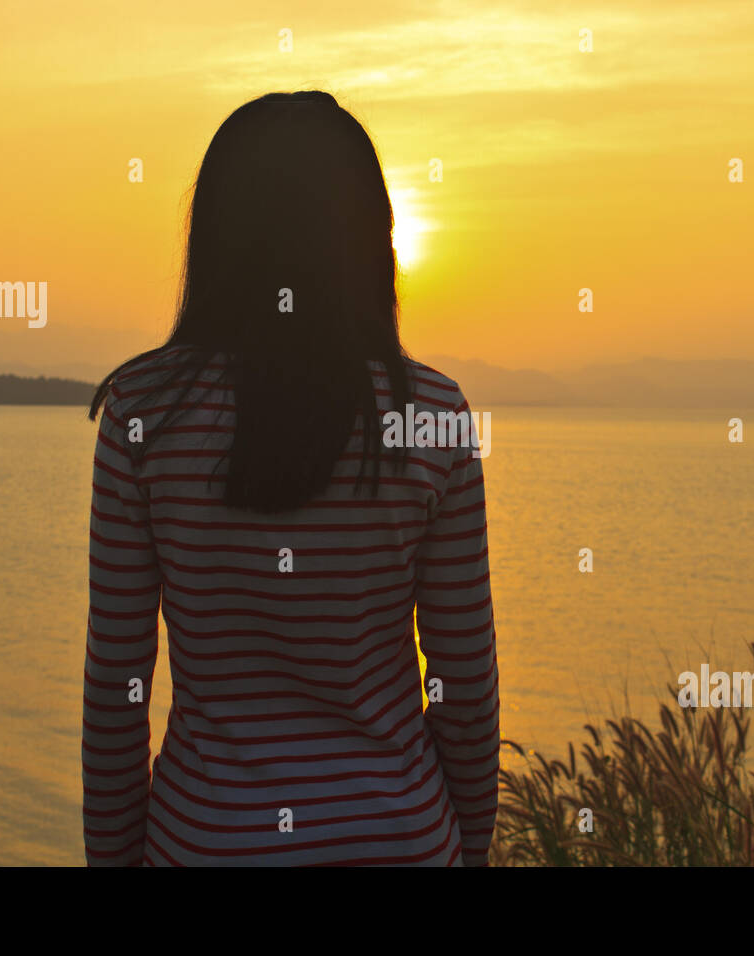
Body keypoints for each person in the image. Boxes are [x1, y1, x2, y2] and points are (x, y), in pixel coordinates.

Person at [80, 91, 499, 866]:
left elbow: (118, 686)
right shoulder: (435, 417)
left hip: (207, 841)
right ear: (373, 239)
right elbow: (463, 684)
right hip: (399, 839)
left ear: (215, 238)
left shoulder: (144, 417)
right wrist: (469, 848)